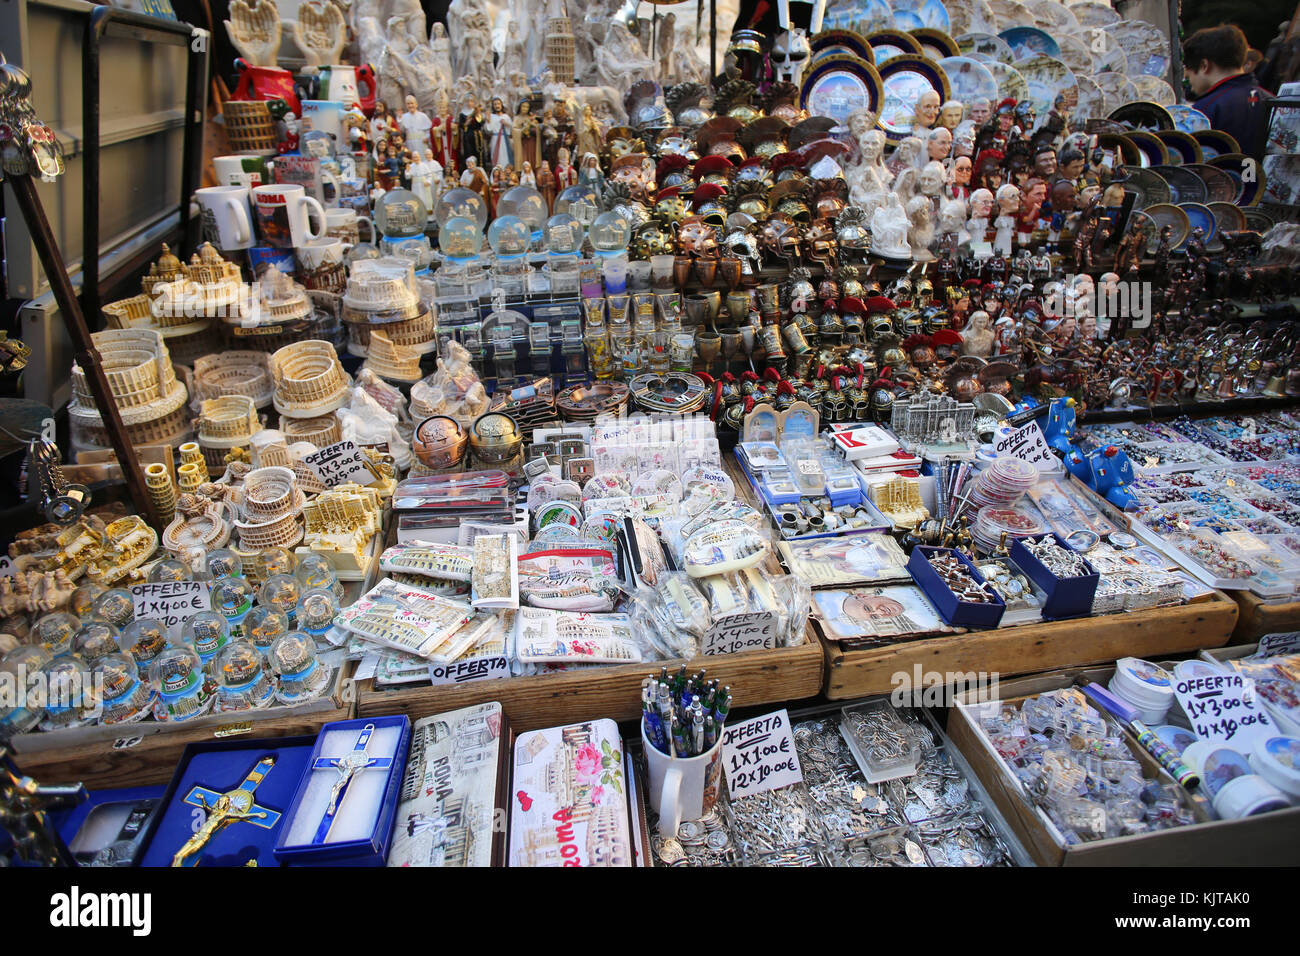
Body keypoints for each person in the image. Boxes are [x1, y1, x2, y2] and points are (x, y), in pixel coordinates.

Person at [1184, 24, 1272, 160]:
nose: (1189, 81)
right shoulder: (1272, 100)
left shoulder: (1205, 109)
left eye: (1188, 74)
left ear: (1204, 66)